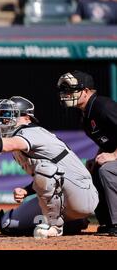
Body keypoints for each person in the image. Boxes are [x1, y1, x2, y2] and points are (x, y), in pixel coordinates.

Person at [0, 96, 98, 237]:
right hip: (63, 195)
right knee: (7, 224)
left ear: (27, 117)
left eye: (9, 115)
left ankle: (55, 227)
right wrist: (27, 190)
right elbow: (52, 177)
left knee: (44, 170)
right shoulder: (19, 139)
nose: (3, 120)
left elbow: (8, 145)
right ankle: (73, 222)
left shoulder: (32, 131)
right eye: (1, 115)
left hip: (81, 194)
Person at [57, 70, 117, 236]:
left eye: (71, 90)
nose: (66, 94)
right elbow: (109, 141)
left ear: (86, 91)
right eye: (65, 90)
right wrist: (98, 157)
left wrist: (113, 156)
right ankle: (107, 222)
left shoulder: (103, 106)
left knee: (108, 170)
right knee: (95, 168)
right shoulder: (86, 115)